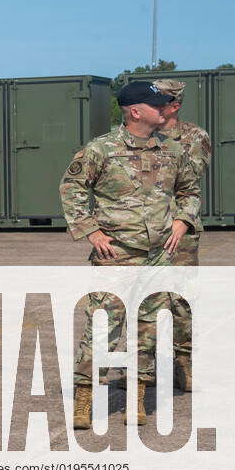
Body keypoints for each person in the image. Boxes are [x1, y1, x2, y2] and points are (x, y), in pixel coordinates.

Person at [61, 81, 200, 428]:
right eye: (158, 104)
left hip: (158, 256)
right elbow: (72, 187)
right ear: (136, 111)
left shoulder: (172, 150)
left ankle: (136, 400)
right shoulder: (101, 150)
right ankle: (84, 400)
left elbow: (189, 190)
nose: (165, 108)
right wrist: (90, 230)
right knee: (102, 329)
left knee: (148, 331)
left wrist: (184, 219)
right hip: (115, 256)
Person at [153, 78, 210, 391]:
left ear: (174, 105)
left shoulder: (194, 137)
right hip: (138, 230)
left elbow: (186, 180)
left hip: (179, 230)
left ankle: (183, 364)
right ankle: (140, 369)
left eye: (159, 100)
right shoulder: (135, 134)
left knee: (180, 300)